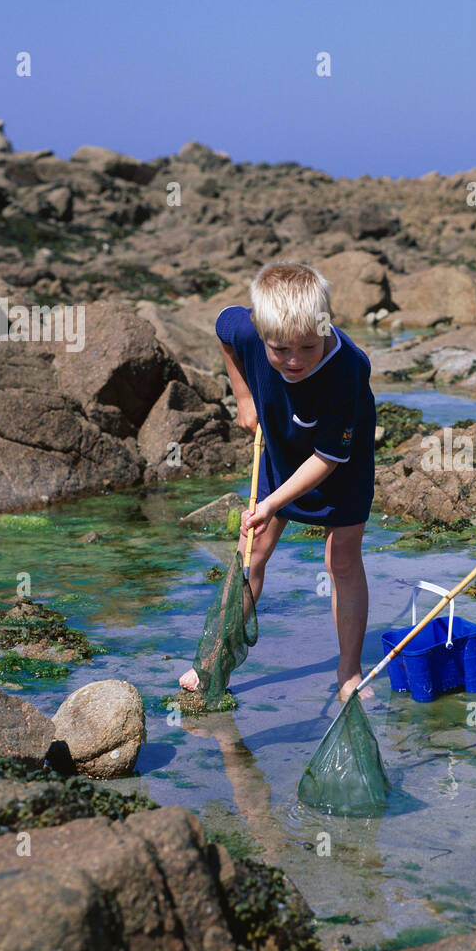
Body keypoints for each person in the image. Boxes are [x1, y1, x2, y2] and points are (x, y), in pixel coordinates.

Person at [179, 261, 376, 702]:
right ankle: (214, 661)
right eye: (279, 349)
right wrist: (244, 396)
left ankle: (349, 670)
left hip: (340, 461)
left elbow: (327, 459)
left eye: (307, 347)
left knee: (341, 562)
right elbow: (222, 331)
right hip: (283, 448)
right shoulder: (248, 330)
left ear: (325, 328)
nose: (293, 360)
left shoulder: (348, 367)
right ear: (261, 331)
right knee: (251, 552)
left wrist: (270, 504)